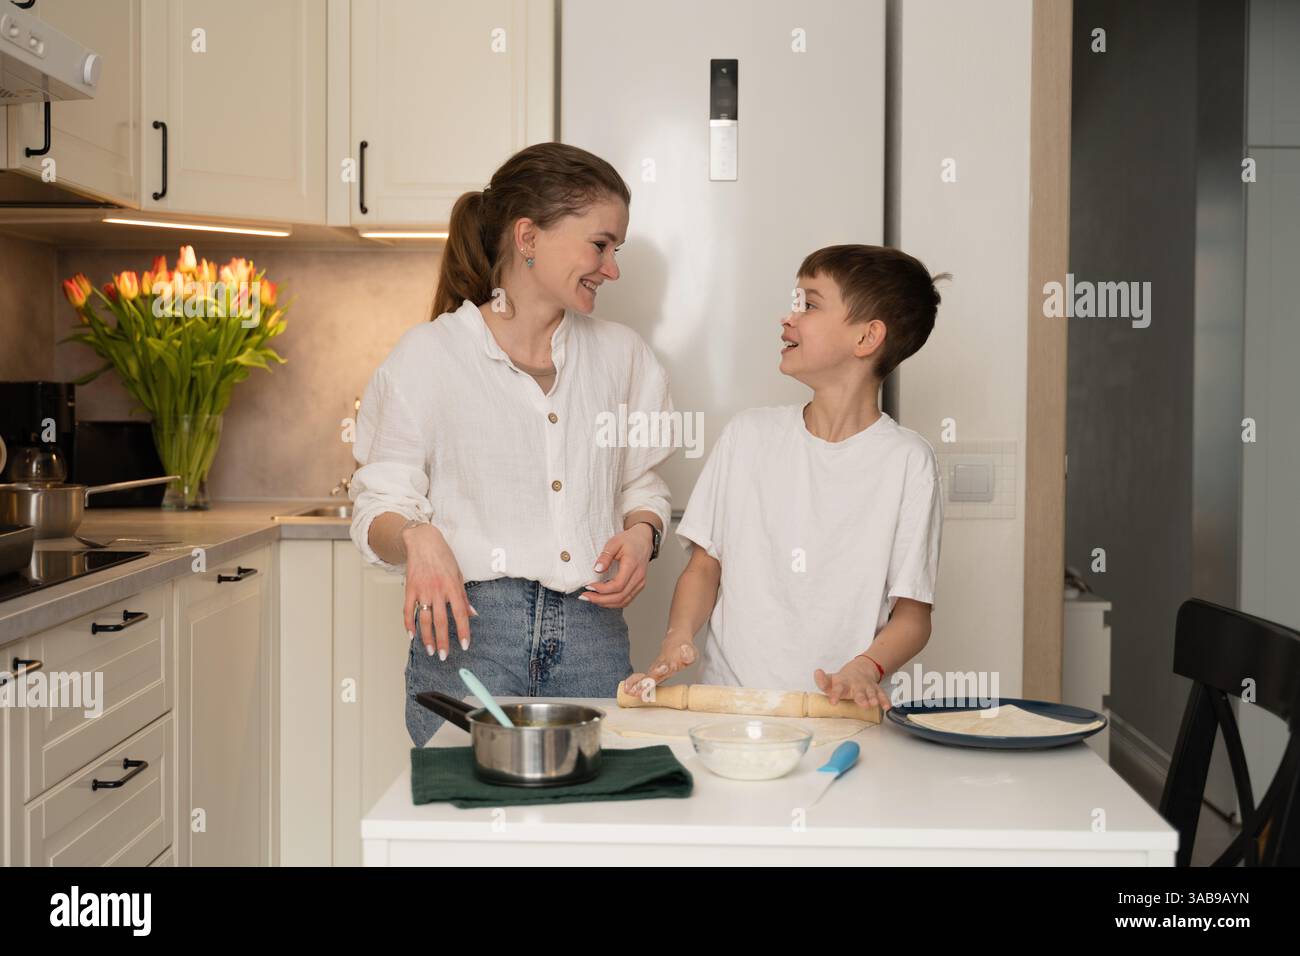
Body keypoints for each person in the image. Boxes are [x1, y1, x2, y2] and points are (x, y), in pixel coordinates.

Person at [350, 143, 675, 746]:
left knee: (594, 819)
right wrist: (417, 537)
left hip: (593, 632)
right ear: (528, 236)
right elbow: (377, 505)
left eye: (617, 249)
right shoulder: (428, 356)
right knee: (465, 823)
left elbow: (642, 482)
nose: (612, 268)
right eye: (600, 245)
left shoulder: (623, 357)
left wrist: (642, 532)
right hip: (469, 634)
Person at [623, 244, 948, 713]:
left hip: (838, 713)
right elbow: (704, 567)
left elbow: (914, 615)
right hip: (730, 707)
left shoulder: (908, 462)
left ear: (867, 337)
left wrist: (866, 667)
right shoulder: (748, 435)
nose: (787, 318)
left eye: (809, 304)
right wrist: (676, 639)